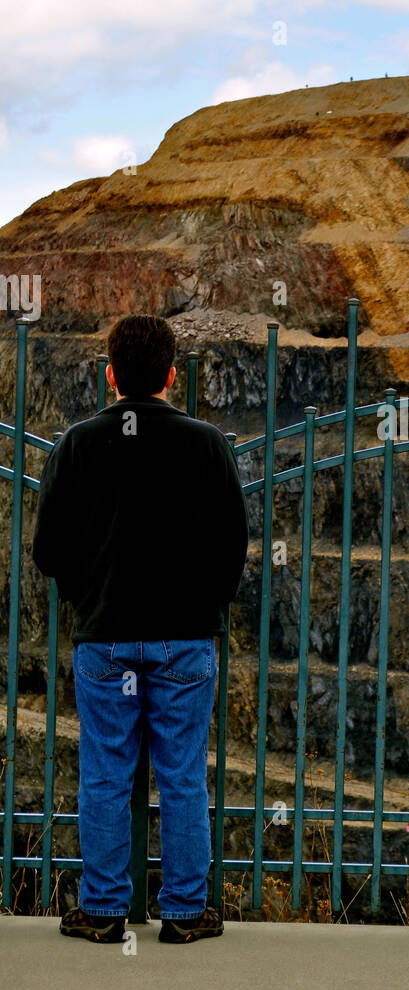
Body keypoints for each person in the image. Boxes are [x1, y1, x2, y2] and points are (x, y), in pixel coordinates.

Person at [32, 314, 248, 945]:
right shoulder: (207, 444)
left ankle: (102, 911)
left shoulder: (77, 443)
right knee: (182, 775)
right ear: (171, 375)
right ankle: (184, 913)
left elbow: (49, 550)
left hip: (104, 638)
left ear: (110, 376)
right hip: (184, 638)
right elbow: (232, 544)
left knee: (105, 772)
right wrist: (204, 605)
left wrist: (89, 596)